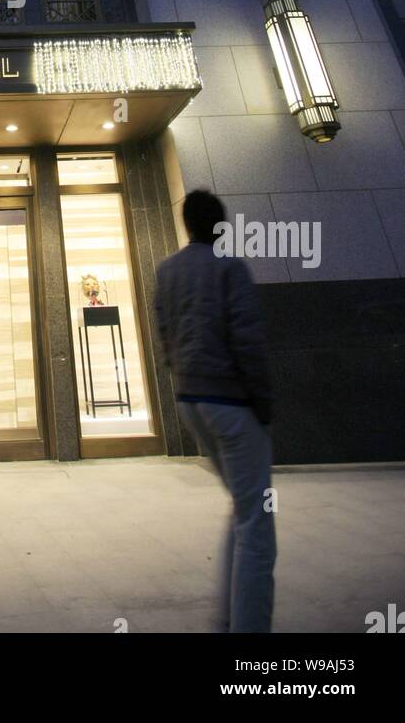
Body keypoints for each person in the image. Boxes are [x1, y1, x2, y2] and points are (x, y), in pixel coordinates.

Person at [154, 190, 276, 634]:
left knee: (242, 509)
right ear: (220, 225)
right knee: (257, 523)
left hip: (192, 402)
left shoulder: (166, 270)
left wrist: (183, 378)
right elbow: (248, 341)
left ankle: (226, 618)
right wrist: (263, 403)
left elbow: (165, 335)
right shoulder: (230, 268)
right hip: (233, 405)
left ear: (187, 224)